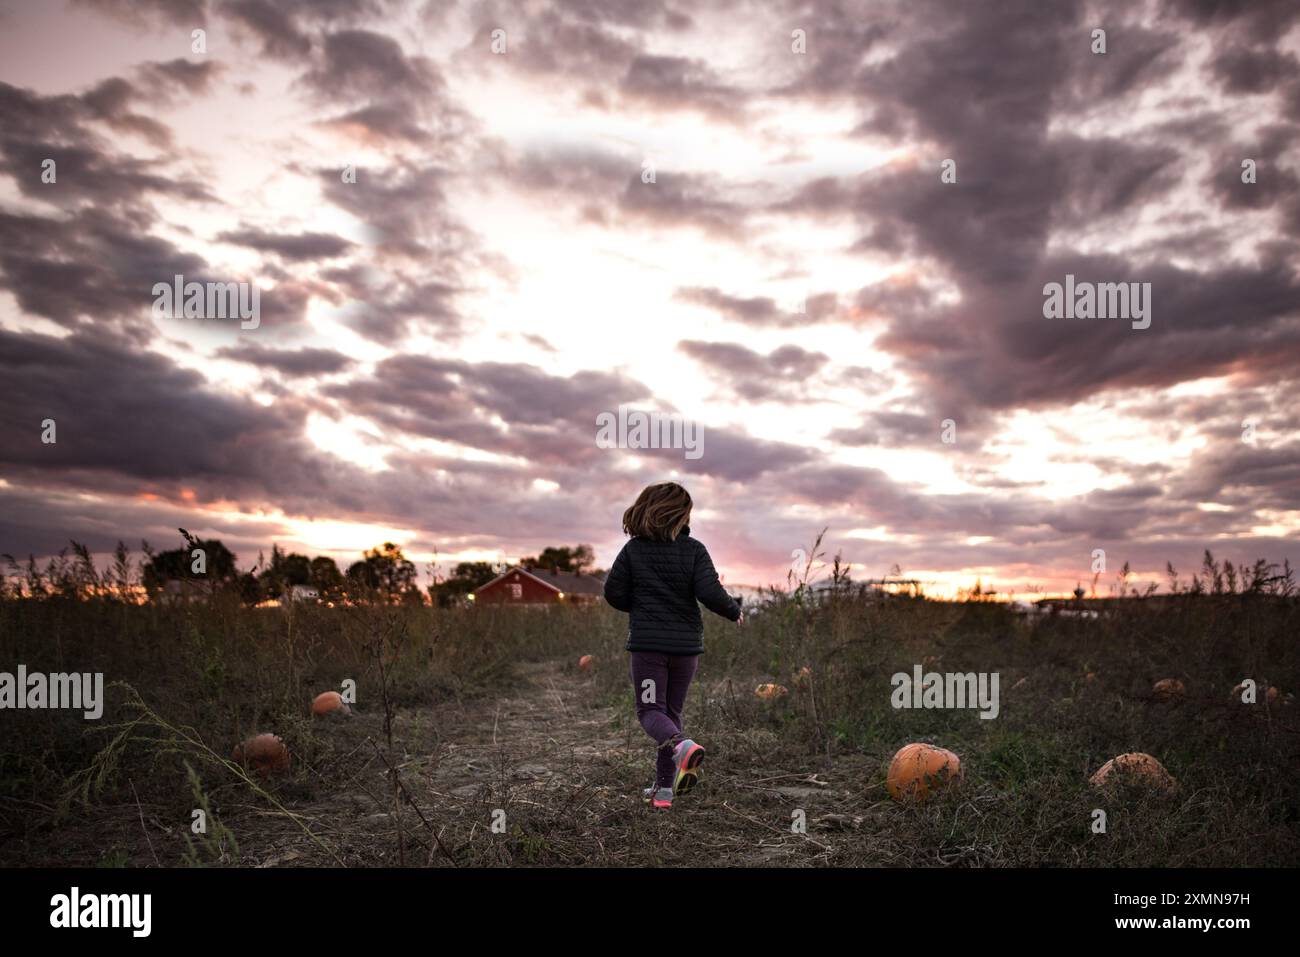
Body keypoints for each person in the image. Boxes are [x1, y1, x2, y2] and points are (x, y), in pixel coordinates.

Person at [602, 481, 743, 809]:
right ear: (682, 516)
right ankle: (663, 792)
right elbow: (709, 592)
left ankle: (681, 747)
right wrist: (734, 610)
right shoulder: (694, 550)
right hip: (685, 650)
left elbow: (613, 592)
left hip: (649, 650)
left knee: (651, 711)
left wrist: (639, 606)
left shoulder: (633, 551)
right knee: (669, 714)